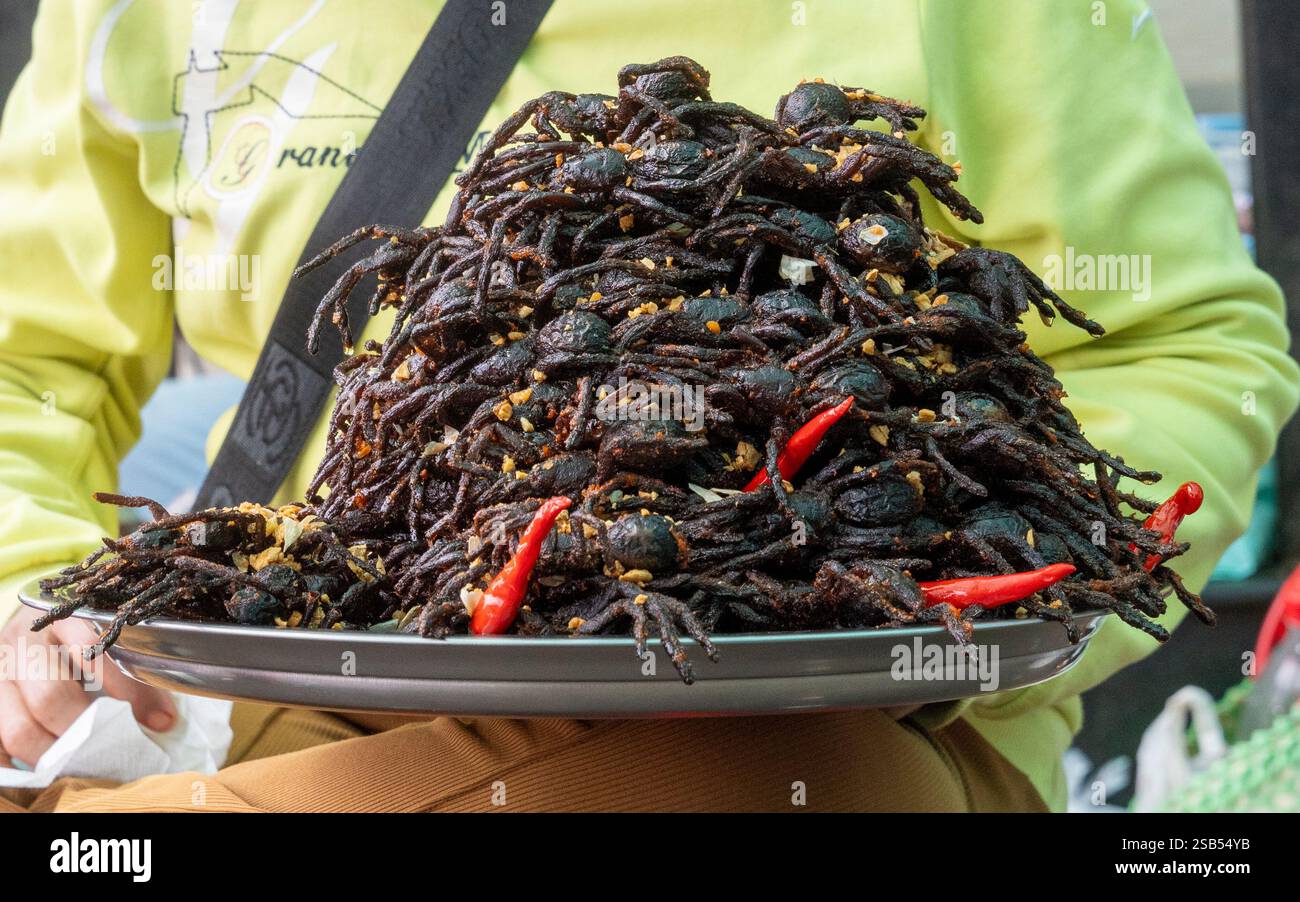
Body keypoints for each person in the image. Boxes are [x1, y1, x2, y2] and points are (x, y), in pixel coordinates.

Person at [0, 0, 1295, 812]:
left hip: (844, 715)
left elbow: (1189, 340)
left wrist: (931, 594)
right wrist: (32, 600)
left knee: (737, 781)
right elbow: (28, 356)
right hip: (331, 648)